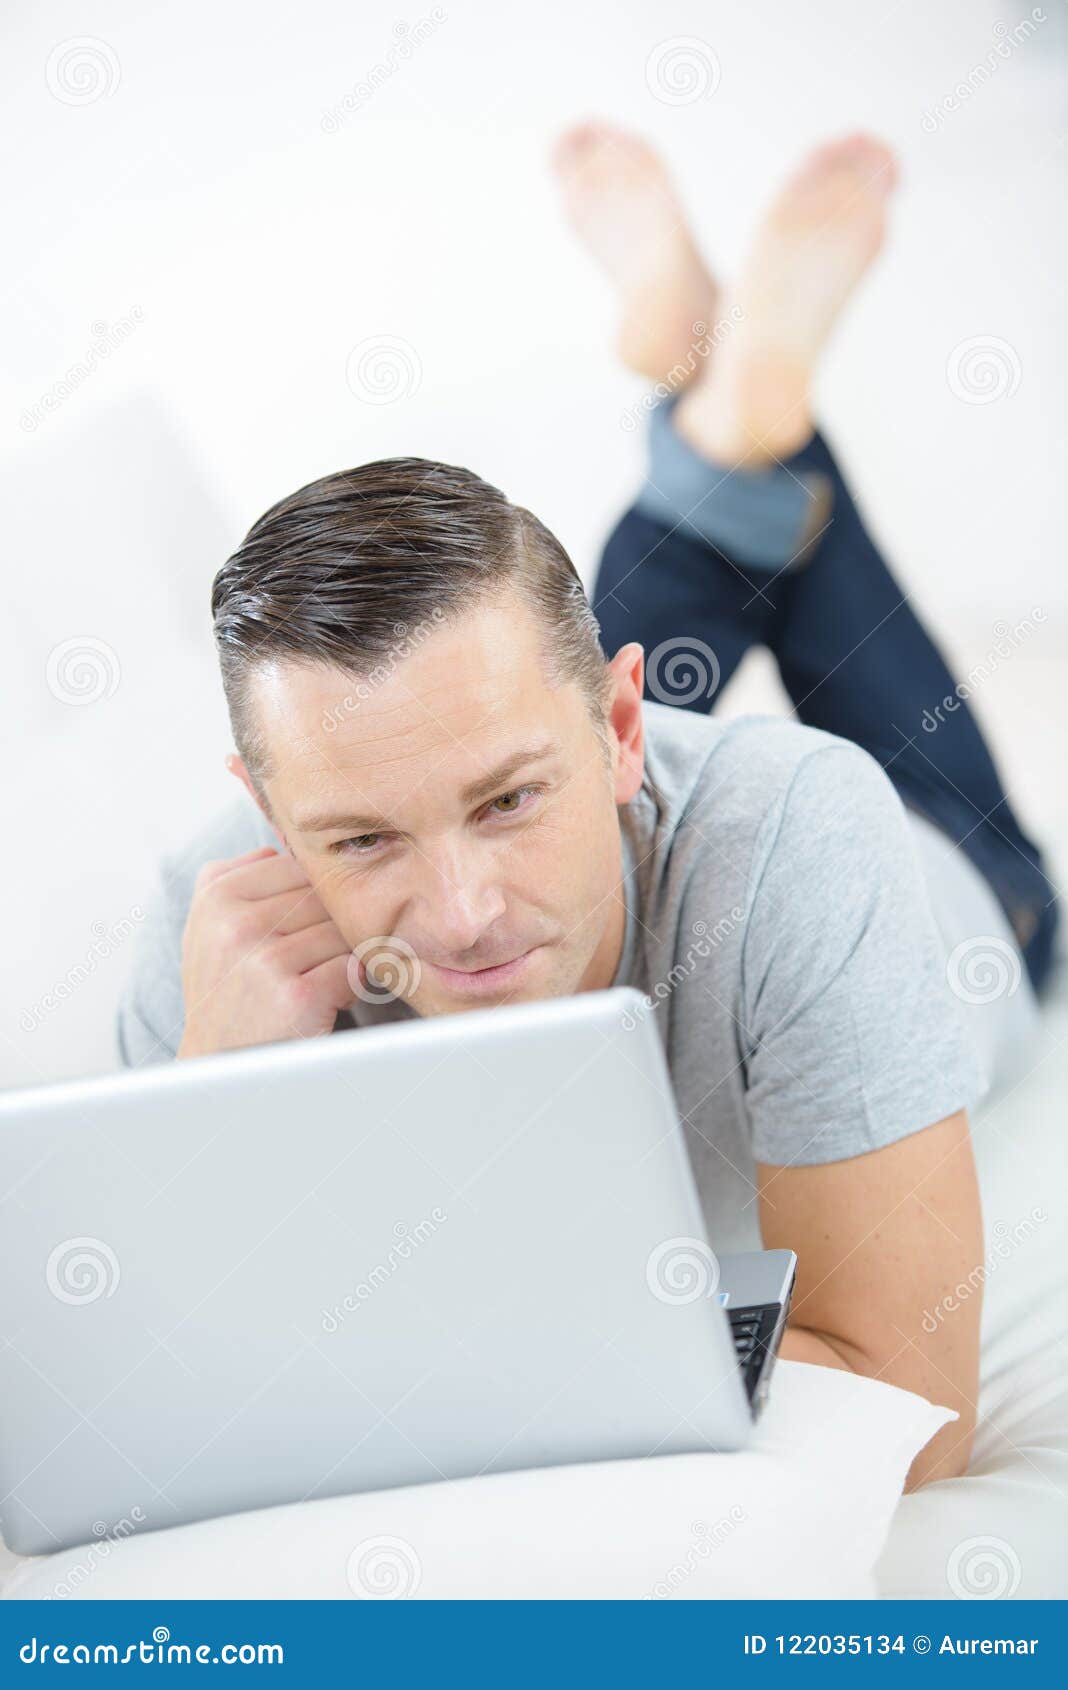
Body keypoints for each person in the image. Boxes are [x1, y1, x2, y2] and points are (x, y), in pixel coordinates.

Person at [116, 128, 1058, 1489]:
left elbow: (908, 1420)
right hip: (579, 717)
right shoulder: (213, 943)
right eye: (361, 837)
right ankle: (734, 409)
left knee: (547, 676)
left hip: (961, 876)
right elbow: (164, 1414)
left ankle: (730, 401)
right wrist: (223, 1106)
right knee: (513, 667)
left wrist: (401, 1344)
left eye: (507, 804)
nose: (460, 914)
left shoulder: (811, 837)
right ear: (263, 810)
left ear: (631, 734)